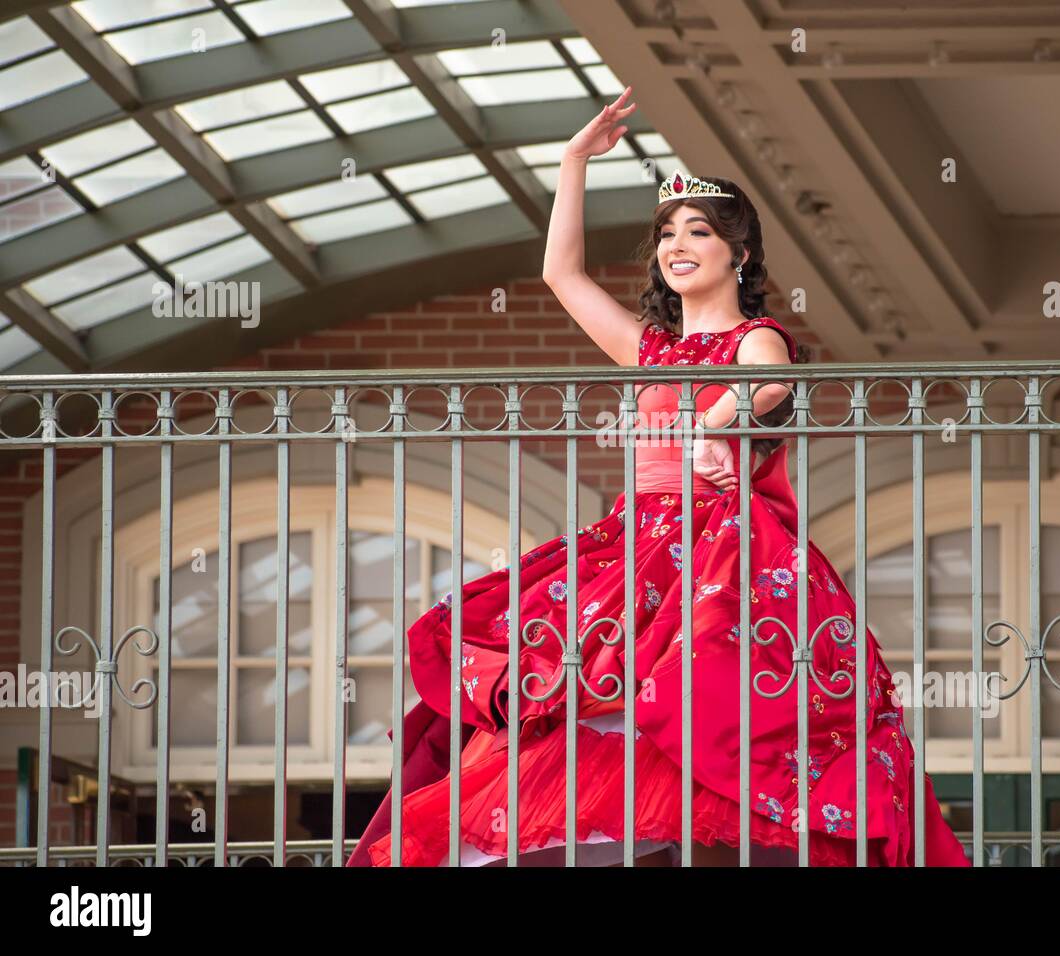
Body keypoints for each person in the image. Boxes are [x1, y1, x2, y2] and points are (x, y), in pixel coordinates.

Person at [351, 86, 971, 868]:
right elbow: (562, 276)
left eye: (700, 231)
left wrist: (713, 427)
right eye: (668, 234)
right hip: (637, 551)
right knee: (612, 727)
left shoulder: (756, 335)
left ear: (739, 255)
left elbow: (771, 386)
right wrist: (574, 162)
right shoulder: (650, 349)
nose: (678, 244)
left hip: (719, 557)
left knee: (699, 715)